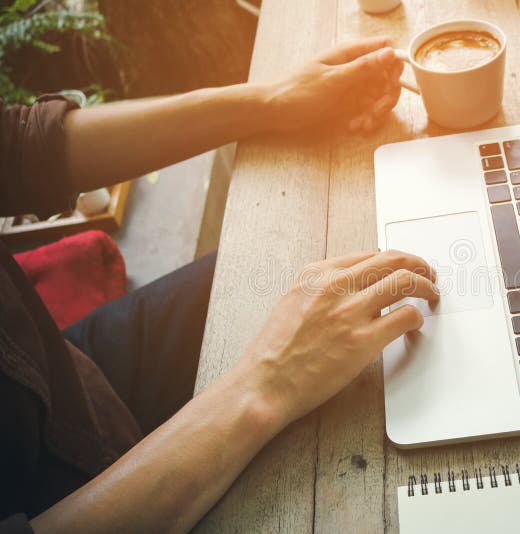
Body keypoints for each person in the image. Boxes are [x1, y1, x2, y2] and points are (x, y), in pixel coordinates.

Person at [0, 37, 439, 532]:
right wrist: (269, 383)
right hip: (52, 482)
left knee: (284, 266)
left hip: (56, 363)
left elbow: (18, 148)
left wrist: (273, 100)